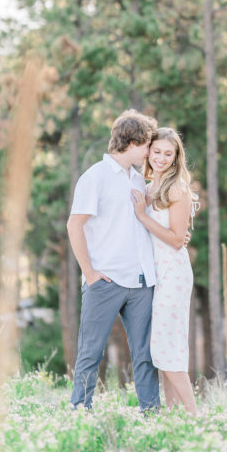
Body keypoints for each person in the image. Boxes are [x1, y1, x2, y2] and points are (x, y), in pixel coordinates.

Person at [67, 109, 160, 411]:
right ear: (133, 142)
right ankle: (80, 411)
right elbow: (74, 225)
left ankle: (152, 414)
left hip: (142, 282)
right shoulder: (95, 177)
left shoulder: (138, 180)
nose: (150, 151)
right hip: (105, 281)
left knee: (146, 354)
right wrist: (90, 273)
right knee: (91, 352)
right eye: (148, 144)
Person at [132, 127, 198, 416]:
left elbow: (174, 239)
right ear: (149, 152)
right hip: (156, 274)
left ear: (176, 158)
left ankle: (195, 415)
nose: (161, 158)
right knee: (163, 348)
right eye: (156, 151)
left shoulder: (176, 189)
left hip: (173, 273)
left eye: (168, 154)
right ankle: (173, 417)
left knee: (166, 347)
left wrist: (143, 216)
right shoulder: (149, 188)